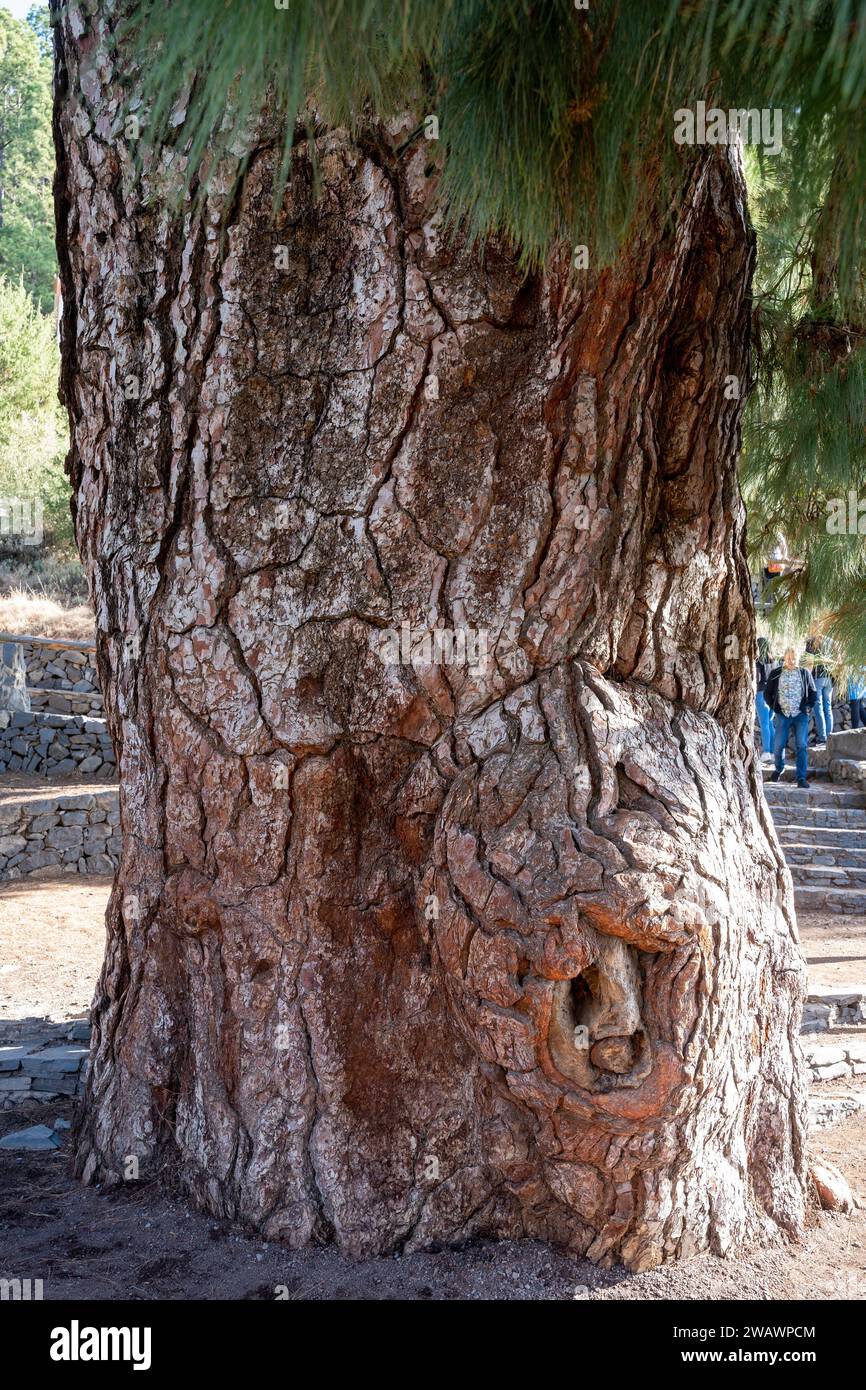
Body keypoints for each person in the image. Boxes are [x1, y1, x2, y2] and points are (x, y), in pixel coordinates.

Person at [765, 647, 817, 787]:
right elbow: (767, 693)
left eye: (794, 658)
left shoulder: (804, 673)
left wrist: (808, 707)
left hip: (800, 715)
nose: (791, 661)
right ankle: (778, 769)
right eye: (789, 658)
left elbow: (813, 692)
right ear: (784, 657)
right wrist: (774, 707)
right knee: (778, 746)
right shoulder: (776, 673)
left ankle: (801, 778)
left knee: (801, 746)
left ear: (798, 659)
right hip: (783, 715)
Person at [805, 635, 834, 745]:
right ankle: (830, 738)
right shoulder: (830, 641)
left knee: (819, 708)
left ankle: (823, 738)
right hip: (830, 678)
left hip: (818, 678)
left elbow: (810, 663)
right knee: (828, 707)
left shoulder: (811, 641)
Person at [755, 637, 775, 761]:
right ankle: (773, 752)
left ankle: (766, 752)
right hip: (773, 694)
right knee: (770, 723)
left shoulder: (758, 661)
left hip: (761, 692)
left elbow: (756, 678)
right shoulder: (773, 660)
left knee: (764, 724)